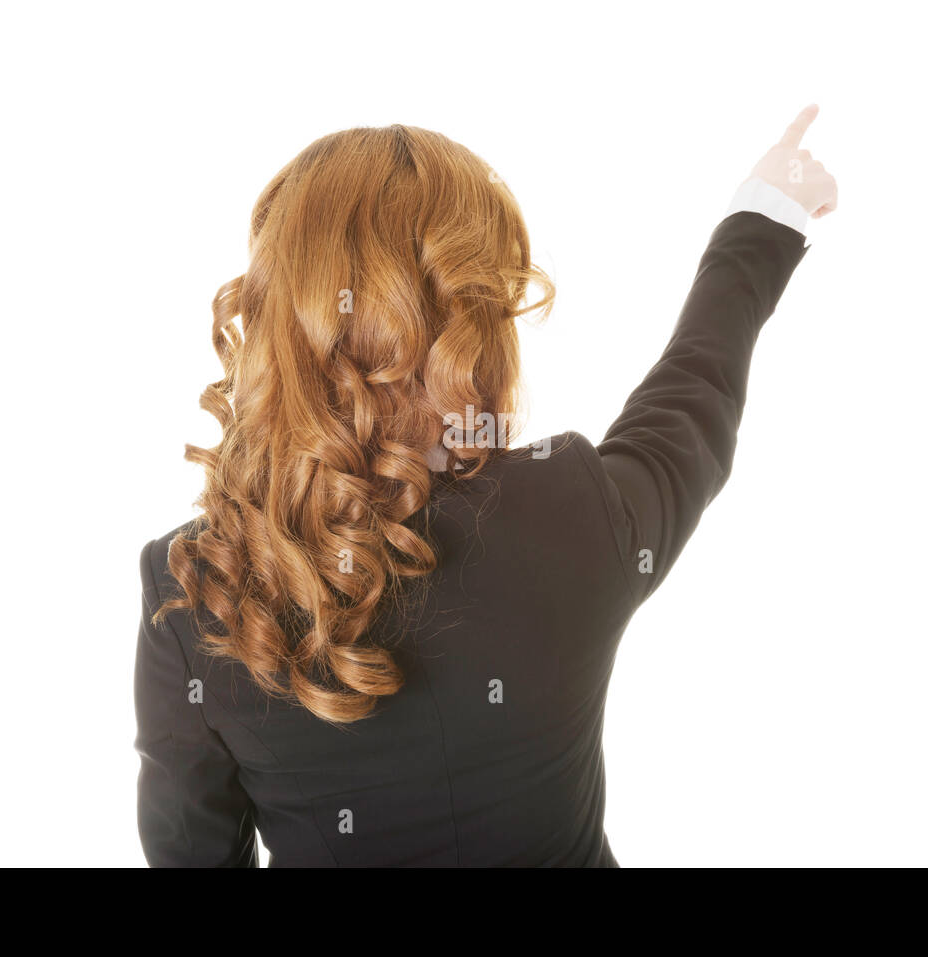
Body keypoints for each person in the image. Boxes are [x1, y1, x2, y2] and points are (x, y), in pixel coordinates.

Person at [134, 107, 838, 866]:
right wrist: (765, 212)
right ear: (475, 328)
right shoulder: (568, 508)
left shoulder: (195, 584)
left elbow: (192, 851)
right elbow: (693, 400)